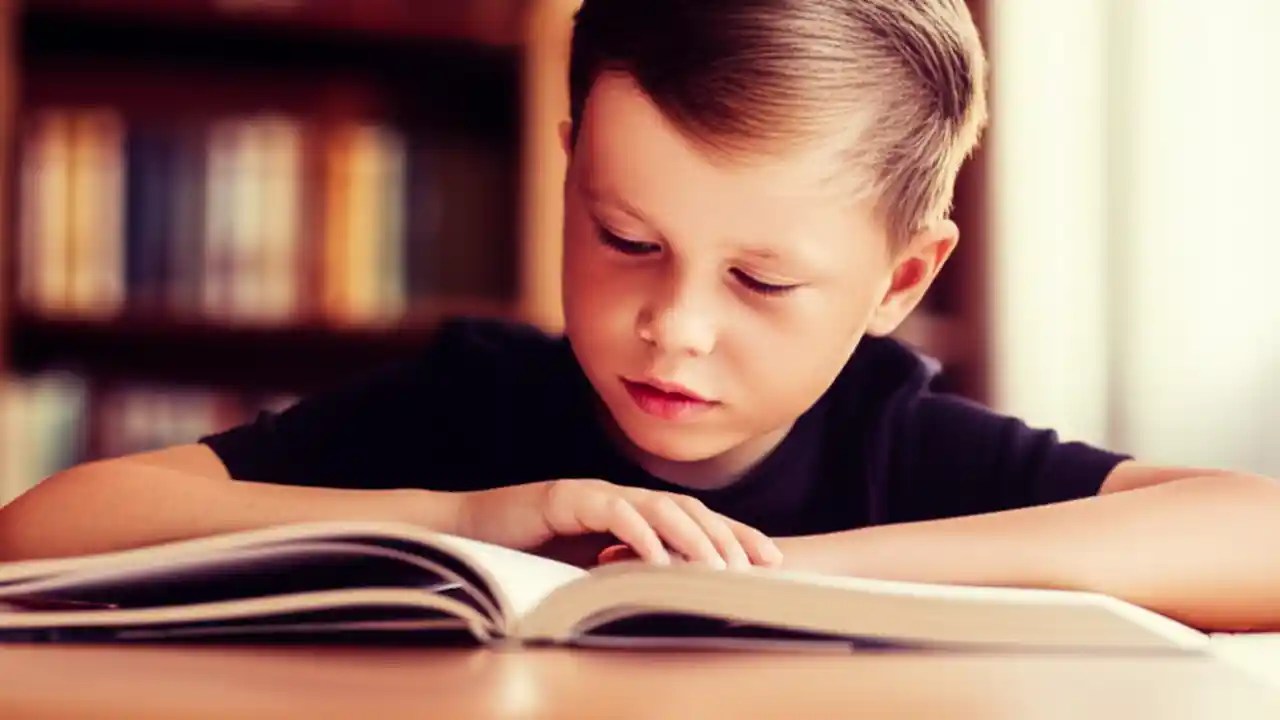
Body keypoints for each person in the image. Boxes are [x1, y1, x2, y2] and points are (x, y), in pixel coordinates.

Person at [3, 0, 1278, 632]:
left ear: (900, 280)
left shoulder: (902, 453)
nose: (673, 327)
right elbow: (41, 530)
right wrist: (469, 526)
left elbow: (1257, 534)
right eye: (624, 241)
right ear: (567, 177)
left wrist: (777, 581)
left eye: (760, 281)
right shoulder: (477, 404)